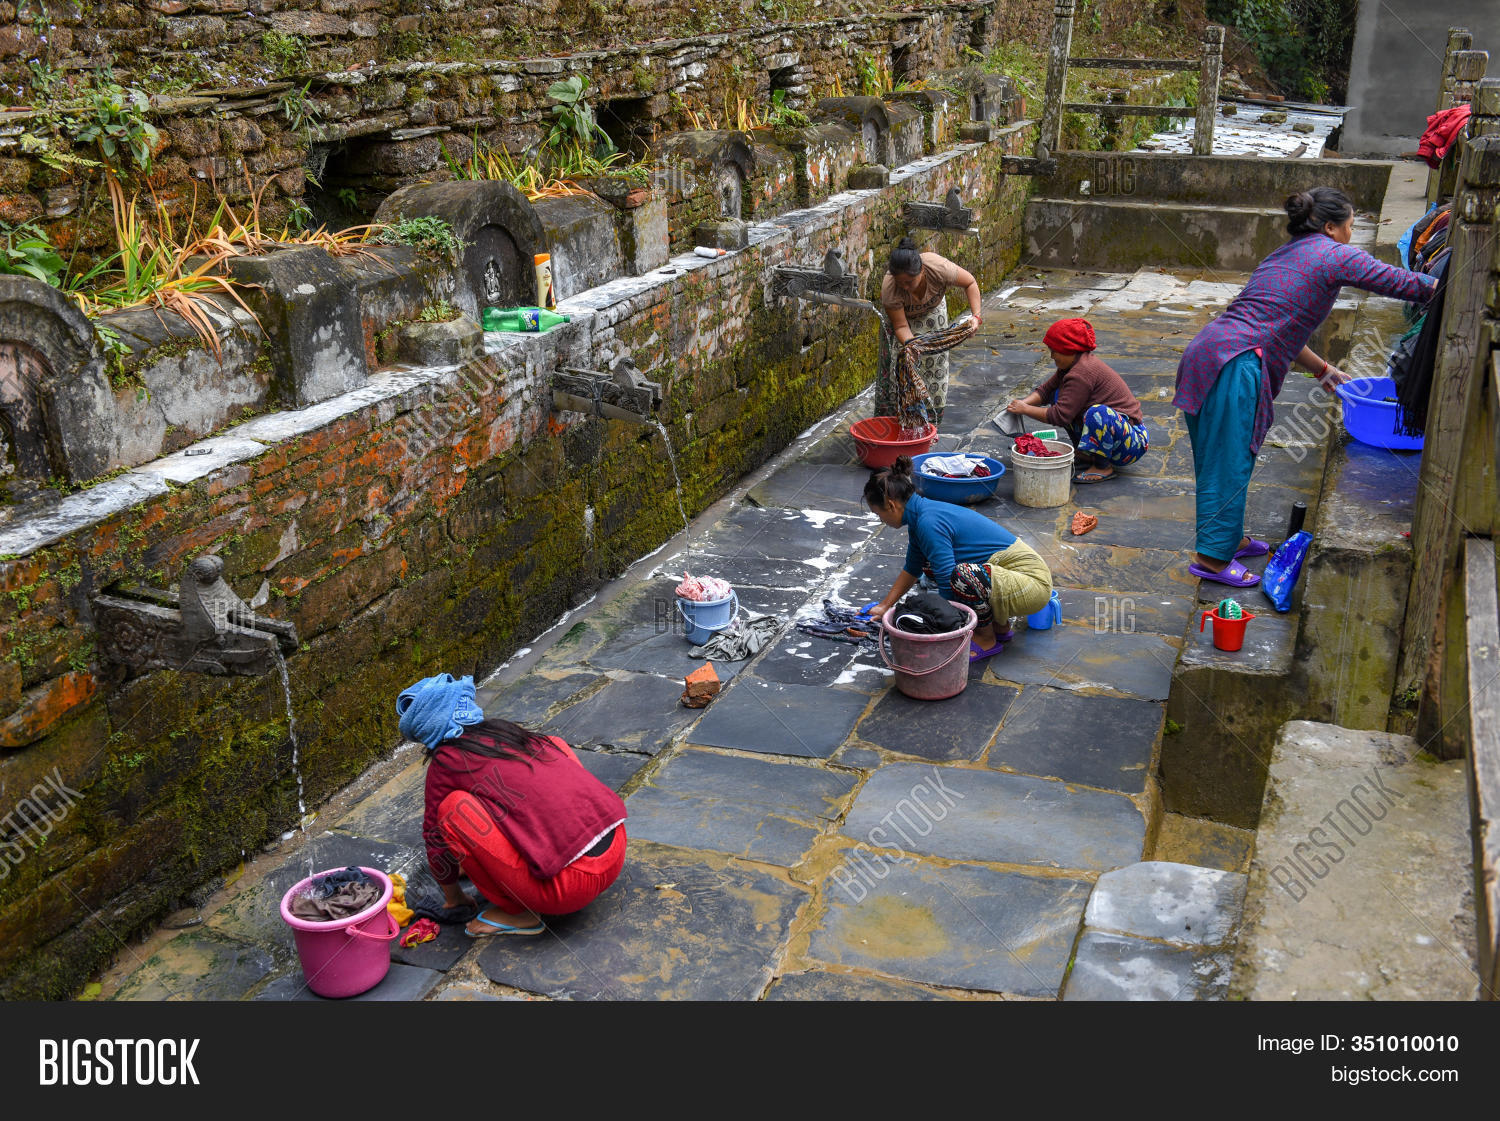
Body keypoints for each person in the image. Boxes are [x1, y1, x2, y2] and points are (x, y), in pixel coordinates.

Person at [1173, 187, 1438, 588]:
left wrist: (1322, 369)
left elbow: (1282, 325)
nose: (1352, 234)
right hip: (1237, 362)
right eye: (1351, 226)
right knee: (1228, 460)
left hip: (1209, 351)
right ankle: (1211, 560)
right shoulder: (1334, 253)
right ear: (1331, 227)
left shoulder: (1286, 253)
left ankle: (1227, 539)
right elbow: (1396, 281)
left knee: (1219, 456)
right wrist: (1444, 285)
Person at [398, 673, 628, 938]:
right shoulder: (504, 731)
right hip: (615, 849)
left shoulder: (446, 761)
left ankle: (521, 914)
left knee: (453, 808)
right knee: (553, 744)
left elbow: (435, 839)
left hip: (569, 890)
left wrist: (454, 899)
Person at [860, 457, 1053, 662]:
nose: (881, 520)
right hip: (1012, 578)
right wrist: (885, 606)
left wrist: (947, 628)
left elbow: (947, 583)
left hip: (1032, 584)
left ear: (891, 505)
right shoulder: (920, 517)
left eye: (878, 514)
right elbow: (912, 568)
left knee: (962, 577)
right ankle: (999, 626)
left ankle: (986, 639)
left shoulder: (928, 521)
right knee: (931, 565)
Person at [1005, 317, 1147, 483]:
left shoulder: (1081, 373)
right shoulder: (1070, 365)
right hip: (1117, 435)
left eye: (1054, 351)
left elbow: (1060, 416)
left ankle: (1102, 467)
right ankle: (1086, 453)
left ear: (1069, 349)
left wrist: (1025, 409)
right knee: (1059, 395)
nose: (1051, 356)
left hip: (1131, 443)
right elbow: (1046, 391)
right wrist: (1023, 403)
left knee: (1097, 413)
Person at [877, 237, 983, 426]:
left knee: (936, 366)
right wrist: (912, 346)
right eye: (901, 283)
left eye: (910, 282)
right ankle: (901, 421)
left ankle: (930, 423)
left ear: (922, 271)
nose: (906, 287)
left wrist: (976, 317)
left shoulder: (938, 267)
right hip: (904, 323)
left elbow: (970, 283)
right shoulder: (891, 289)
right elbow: (901, 326)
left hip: (933, 313)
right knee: (902, 368)